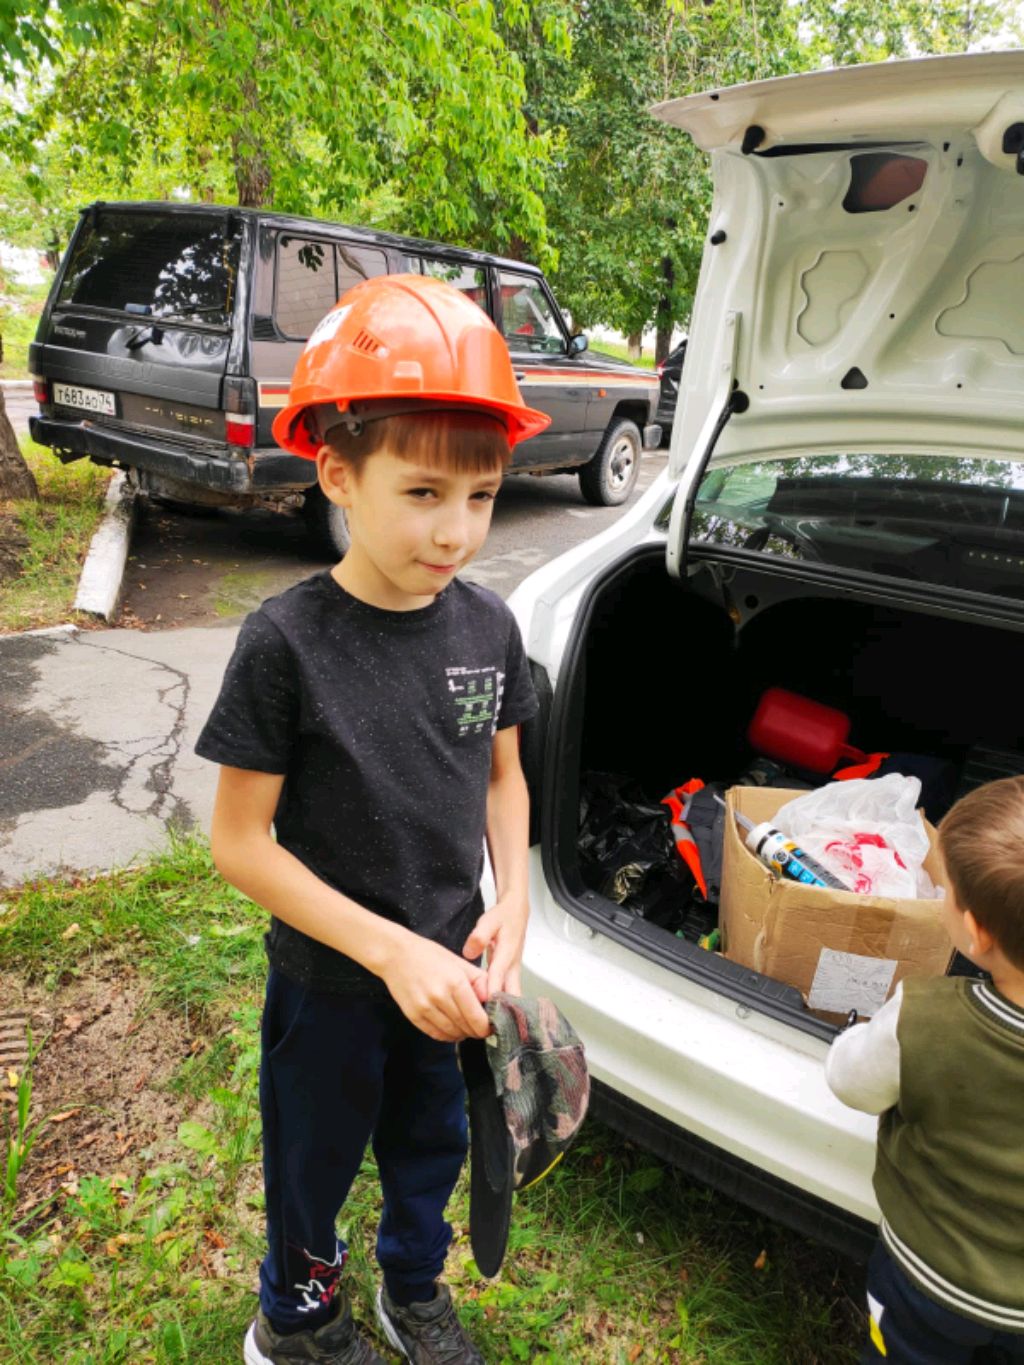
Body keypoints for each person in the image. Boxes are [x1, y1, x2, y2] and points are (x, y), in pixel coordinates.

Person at [195, 274, 551, 1365]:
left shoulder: (488, 628)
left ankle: (411, 1289)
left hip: (448, 976)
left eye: (482, 497)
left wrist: (514, 906)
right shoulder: (286, 644)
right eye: (423, 493)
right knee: (313, 1157)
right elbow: (238, 844)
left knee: (429, 1145)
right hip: (331, 982)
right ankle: (295, 1321)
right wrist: (389, 951)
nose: (457, 531)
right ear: (337, 473)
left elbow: (504, 780)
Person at [825, 775, 1024, 1364]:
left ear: (975, 931)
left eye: (947, 892)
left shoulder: (927, 1018)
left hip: (928, 1283)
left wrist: (856, 1036)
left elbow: (851, 1082)